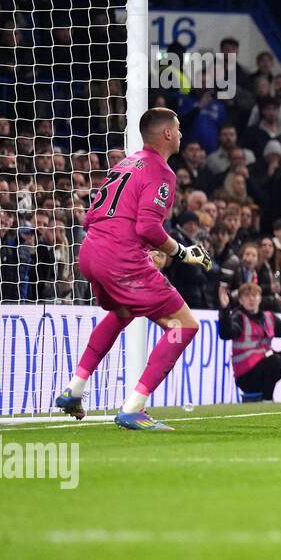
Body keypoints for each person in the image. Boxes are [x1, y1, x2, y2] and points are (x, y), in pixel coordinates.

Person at [54, 107, 215, 430]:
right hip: (119, 257)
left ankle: (75, 388)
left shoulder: (124, 164)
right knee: (184, 325)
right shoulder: (161, 172)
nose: (182, 134)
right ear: (167, 133)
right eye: (179, 128)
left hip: (90, 250)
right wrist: (181, 252)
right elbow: (147, 228)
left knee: (123, 311)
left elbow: (92, 217)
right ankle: (133, 408)